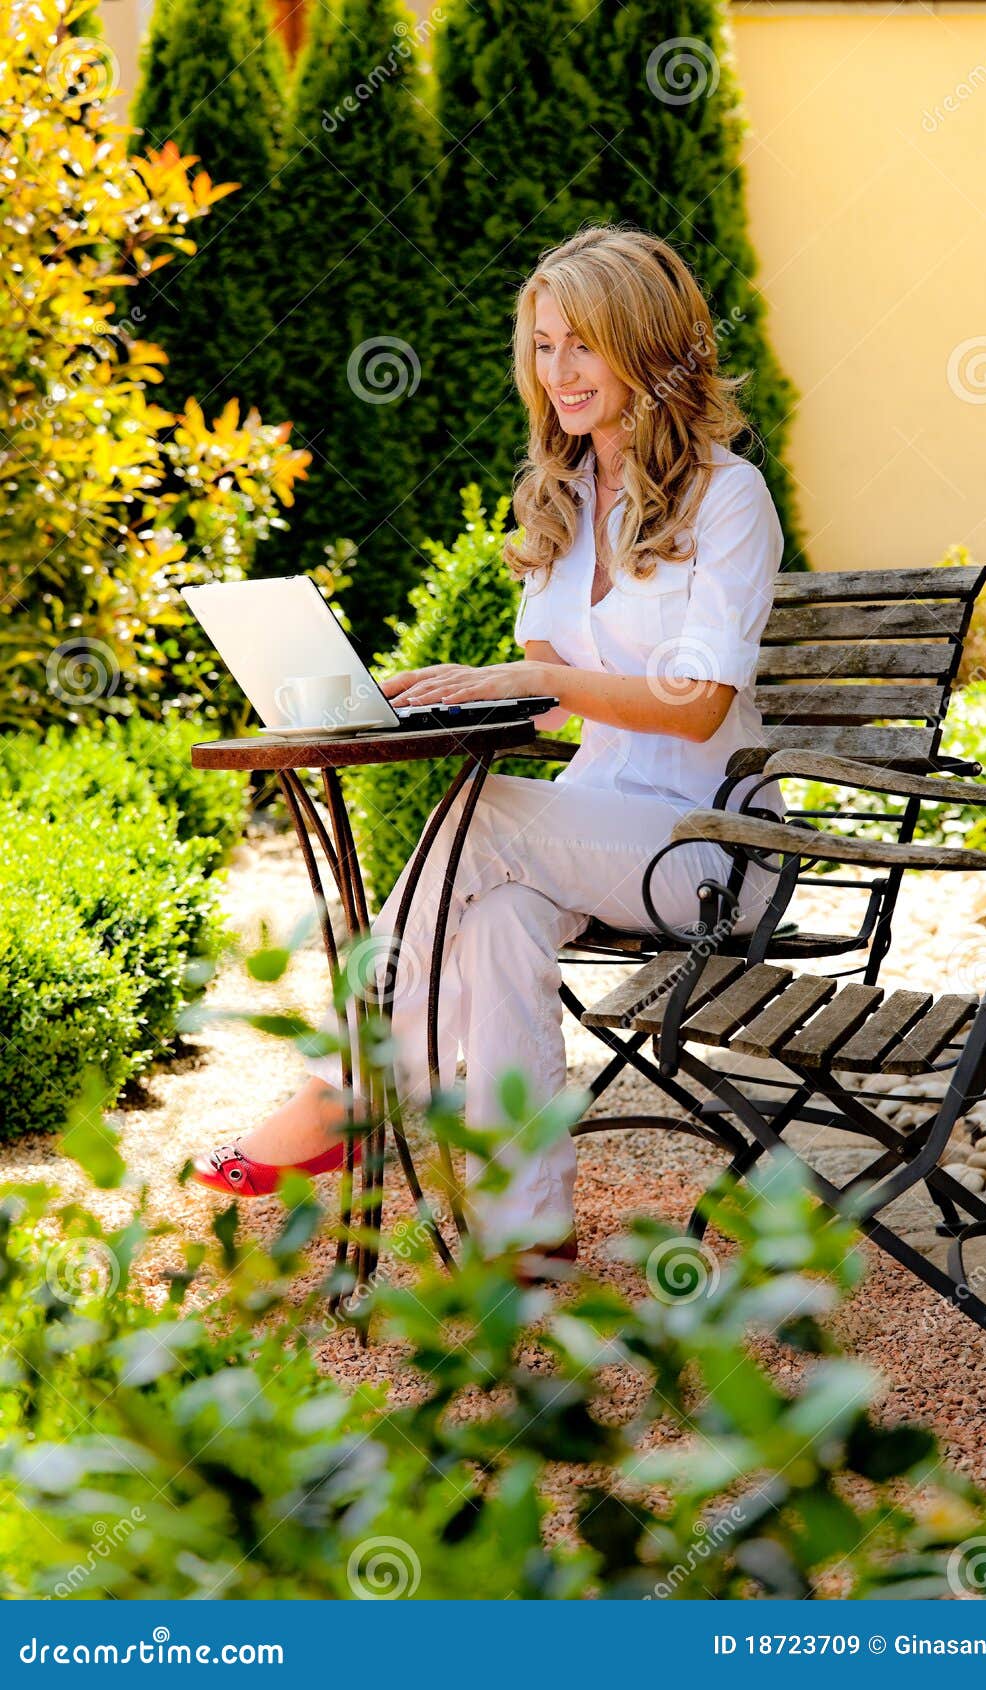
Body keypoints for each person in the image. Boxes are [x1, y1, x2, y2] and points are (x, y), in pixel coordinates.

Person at [192, 223, 785, 1270]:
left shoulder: (726, 497)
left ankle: (357, 1089)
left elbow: (694, 706)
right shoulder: (568, 499)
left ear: (647, 347)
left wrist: (537, 679)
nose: (556, 373)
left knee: (489, 813)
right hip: (605, 832)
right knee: (503, 919)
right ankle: (529, 1240)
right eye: (543, 345)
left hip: (711, 852)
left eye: (583, 345)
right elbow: (551, 709)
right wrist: (424, 697)